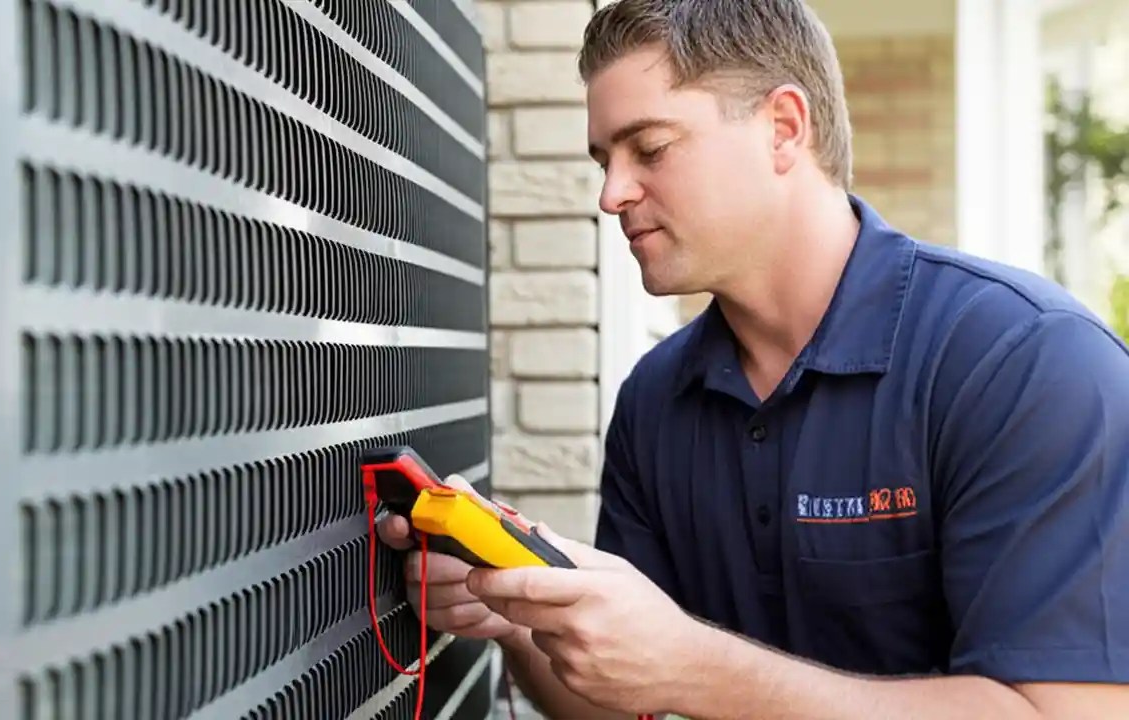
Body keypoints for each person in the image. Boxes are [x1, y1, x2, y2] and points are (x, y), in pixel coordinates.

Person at [378, 0, 1129, 716]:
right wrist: (512, 610)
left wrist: (697, 666)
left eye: (652, 148)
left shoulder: (1025, 363)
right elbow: (622, 696)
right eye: (604, 158)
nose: (611, 193)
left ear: (783, 128)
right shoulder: (657, 399)